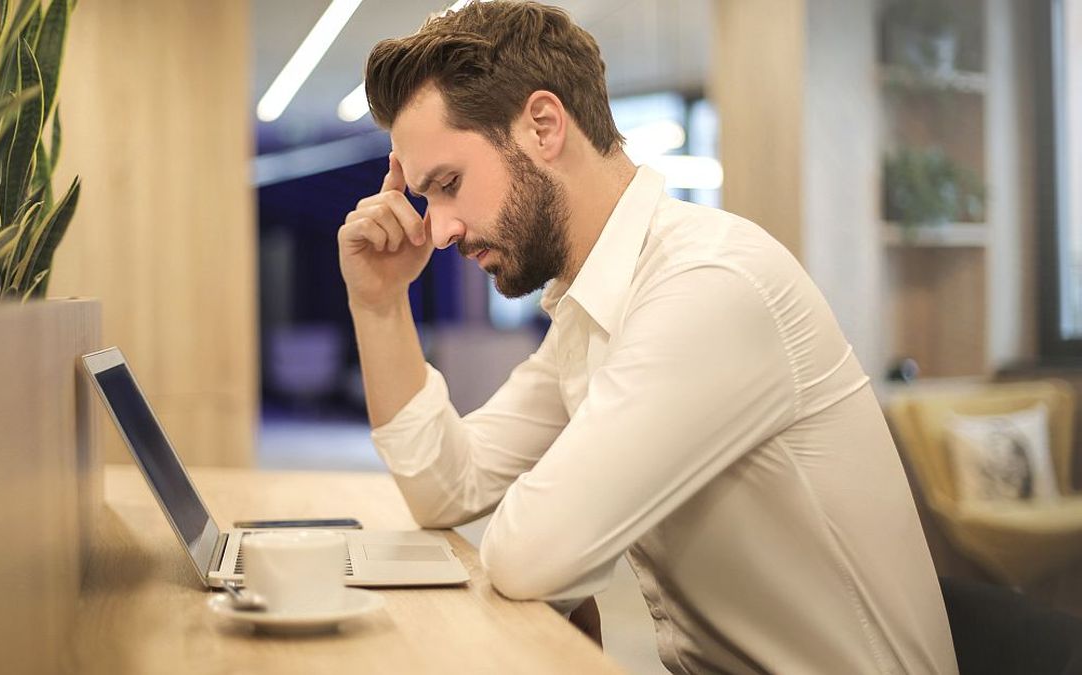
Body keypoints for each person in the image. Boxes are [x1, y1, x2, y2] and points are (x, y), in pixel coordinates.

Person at [336, 2, 958, 673]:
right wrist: (379, 303)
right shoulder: (594, 308)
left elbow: (528, 554)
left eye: (449, 185)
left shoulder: (708, 286)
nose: (440, 229)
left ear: (543, 126)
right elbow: (447, 488)